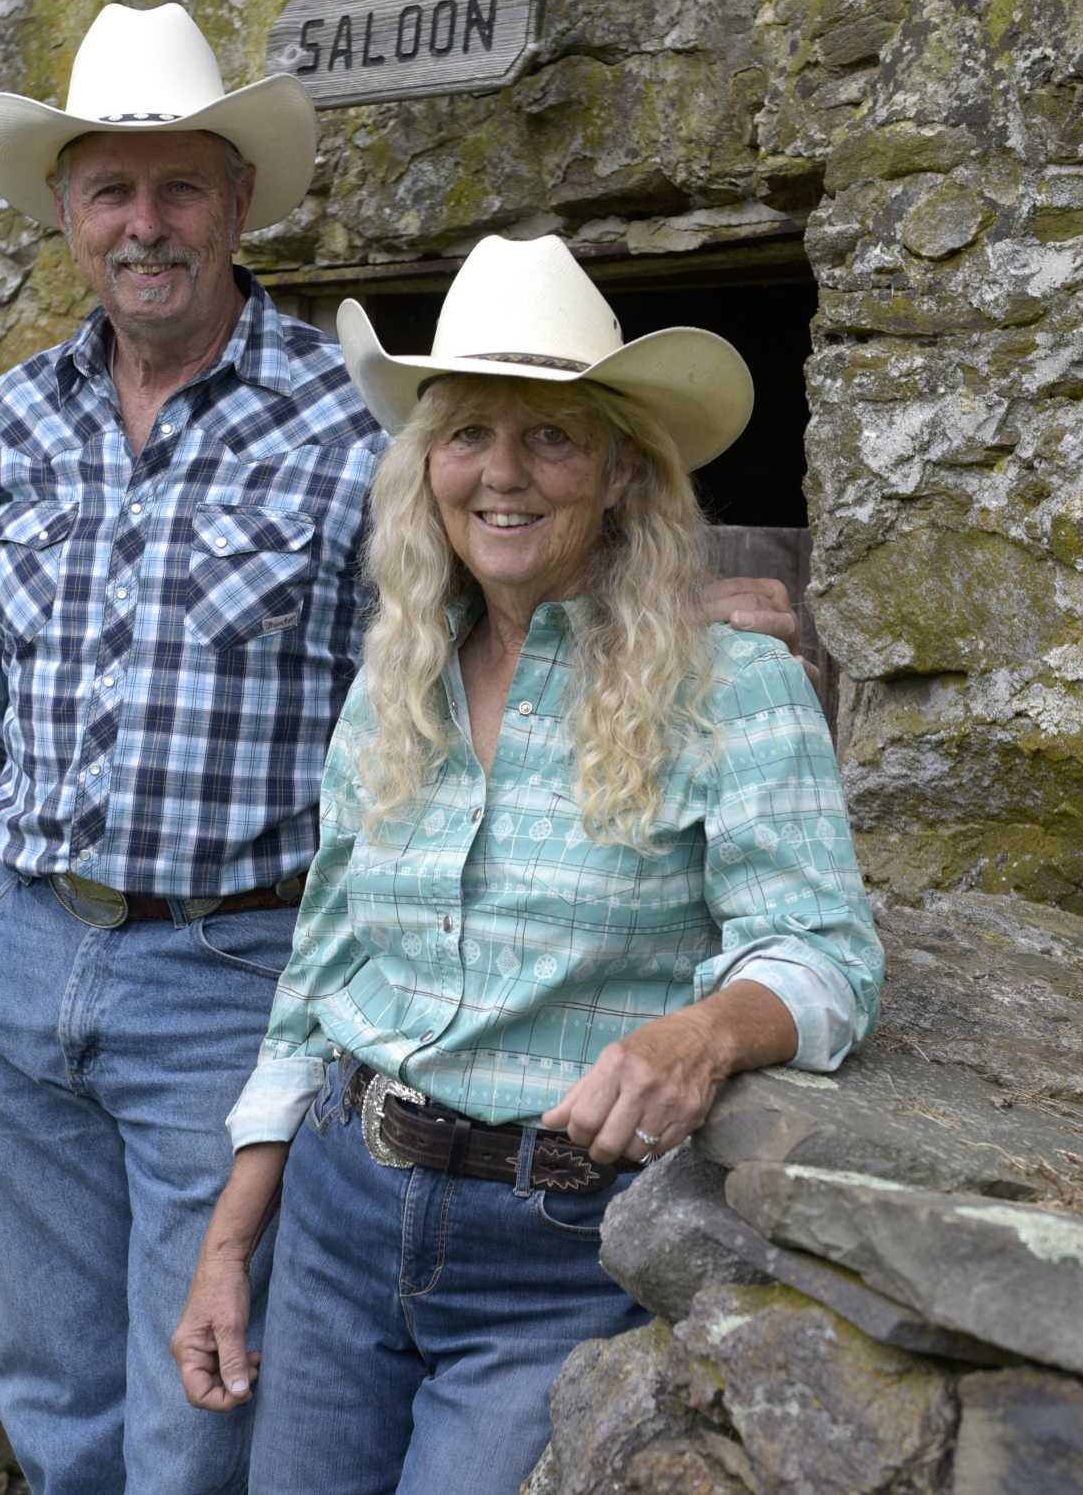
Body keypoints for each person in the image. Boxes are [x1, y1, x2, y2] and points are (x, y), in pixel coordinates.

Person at [0, 7, 804, 1495]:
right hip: (27, 957)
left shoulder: (341, 421)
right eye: (112, 189)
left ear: (240, 201)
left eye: (181, 189)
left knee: (196, 1415)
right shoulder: (6, 426)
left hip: (228, 971)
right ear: (64, 209)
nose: (146, 224)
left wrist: (669, 601)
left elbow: (494, 560)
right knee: (49, 1392)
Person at [170, 234, 883, 1495]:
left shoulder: (734, 687)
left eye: (549, 437)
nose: (500, 473)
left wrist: (704, 1031)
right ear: (421, 468)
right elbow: (318, 968)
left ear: (617, 470)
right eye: (466, 435)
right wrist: (231, 1242)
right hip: (342, 1208)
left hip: (556, 1240)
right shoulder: (395, 679)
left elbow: (822, 954)